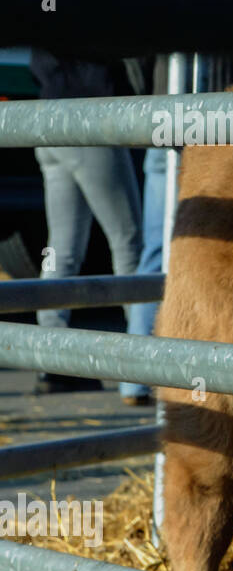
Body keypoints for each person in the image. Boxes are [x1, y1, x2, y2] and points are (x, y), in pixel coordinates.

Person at [29, 49, 151, 403]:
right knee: (129, 242)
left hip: (46, 119)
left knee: (60, 249)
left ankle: (50, 357)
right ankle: (142, 361)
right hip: (87, 118)